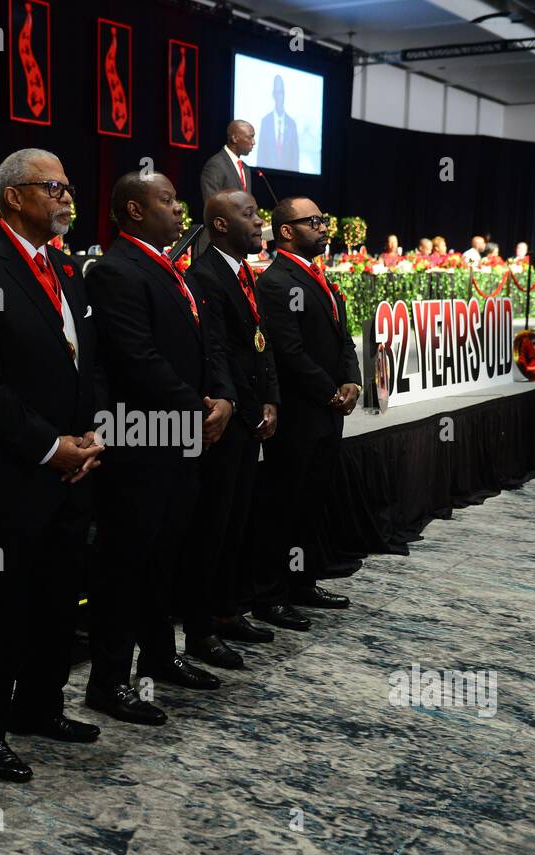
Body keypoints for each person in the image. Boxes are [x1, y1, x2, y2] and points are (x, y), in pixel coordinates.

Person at [0, 149, 103, 783]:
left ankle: (40, 706)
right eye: (53, 187)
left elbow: (86, 360)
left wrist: (92, 433)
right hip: (10, 475)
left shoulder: (65, 265)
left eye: (66, 186)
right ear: (14, 197)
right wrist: (49, 445)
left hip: (71, 466)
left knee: (58, 601)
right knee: (3, 608)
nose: (66, 198)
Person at [85, 171, 235, 724]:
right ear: (132, 211)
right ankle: (107, 680)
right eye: (167, 201)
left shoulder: (172, 269)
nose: (179, 210)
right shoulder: (116, 270)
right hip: (139, 440)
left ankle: (159, 659)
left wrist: (223, 398)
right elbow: (136, 358)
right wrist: (196, 406)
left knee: (164, 558)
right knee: (125, 564)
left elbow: (207, 345)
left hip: (180, 438)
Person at [177, 189, 280, 669]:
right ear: (219, 225)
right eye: (249, 214)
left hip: (250, 417)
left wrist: (272, 401)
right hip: (225, 422)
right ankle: (199, 631)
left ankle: (227, 610)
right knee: (211, 530)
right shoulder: (204, 275)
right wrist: (239, 405)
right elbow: (214, 352)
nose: (260, 222)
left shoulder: (243, 273)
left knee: (237, 521)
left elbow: (261, 345)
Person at [250, 197, 361, 632]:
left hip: (329, 411)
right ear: (287, 232)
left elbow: (343, 339)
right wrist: (330, 392)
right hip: (299, 413)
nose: (324, 228)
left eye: (323, 218)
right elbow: (288, 352)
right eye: (313, 221)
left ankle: (302, 581)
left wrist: (351, 381)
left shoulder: (320, 276)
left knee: (312, 502)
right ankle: (270, 596)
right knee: (284, 505)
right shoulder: (276, 281)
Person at [200, 119, 256, 255]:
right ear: (235, 138)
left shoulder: (246, 169)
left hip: (241, 243)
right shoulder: (216, 165)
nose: (253, 142)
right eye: (250, 136)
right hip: (222, 244)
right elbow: (211, 205)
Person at [257, 75, 299, 172]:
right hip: (267, 178)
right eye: (277, 92)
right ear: (273, 95)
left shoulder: (292, 125)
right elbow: (261, 156)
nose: (280, 96)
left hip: (290, 180)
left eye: (282, 92)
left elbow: (295, 160)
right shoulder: (265, 122)